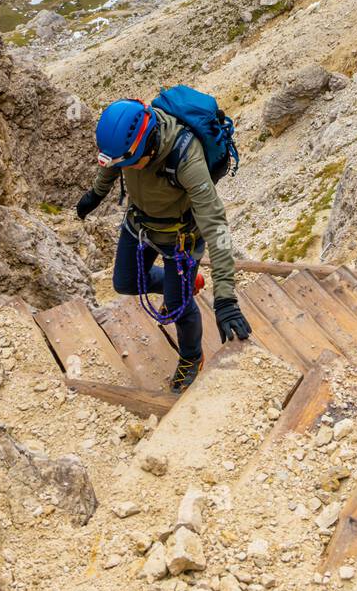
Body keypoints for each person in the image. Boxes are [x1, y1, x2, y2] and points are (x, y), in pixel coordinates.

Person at [76, 99, 251, 393]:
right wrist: (96, 193)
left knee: (179, 308)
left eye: (130, 162)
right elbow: (111, 161)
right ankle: (185, 284)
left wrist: (225, 299)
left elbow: (215, 224)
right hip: (140, 225)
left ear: (149, 145)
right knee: (124, 282)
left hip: (181, 238)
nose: (126, 168)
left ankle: (192, 357)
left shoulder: (185, 156)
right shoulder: (130, 143)